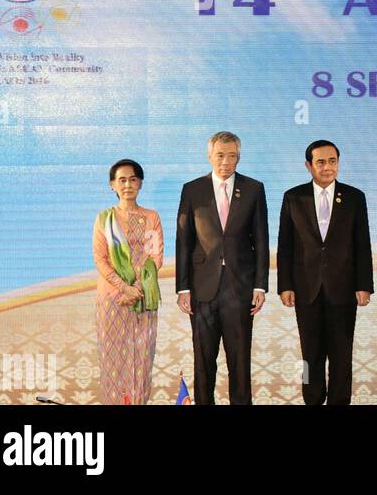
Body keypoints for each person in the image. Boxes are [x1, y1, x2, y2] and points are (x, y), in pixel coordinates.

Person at [175, 131, 269, 405]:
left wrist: (260, 285)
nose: (225, 162)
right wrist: (183, 287)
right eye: (220, 155)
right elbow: (184, 240)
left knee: (239, 360)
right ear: (209, 156)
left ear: (238, 158)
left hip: (239, 288)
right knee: (203, 361)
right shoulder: (192, 189)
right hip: (202, 288)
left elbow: (261, 239)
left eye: (231, 156)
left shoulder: (253, 189)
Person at [277, 140, 373, 405]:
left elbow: (362, 244)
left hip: (343, 289)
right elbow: (285, 245)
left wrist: (364, 284)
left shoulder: (354, 197)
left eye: (332, 161)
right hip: (306, 289)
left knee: (342, 355)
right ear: (309, 166)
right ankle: (312, 400)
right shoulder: (293, 197)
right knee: (310, 356)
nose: (327, 167)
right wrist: (285, 285)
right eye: (320, 162)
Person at [93, 159, 163, 405]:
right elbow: (100, 259)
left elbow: (155, 257)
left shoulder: (151, 217)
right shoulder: (104, 219)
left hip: (144, 300)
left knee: (142, 361)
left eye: (133, 179)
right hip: (112, 301)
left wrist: (139, 289)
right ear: (112, 185)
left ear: (140, 183)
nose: (127, 185)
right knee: (113, 363)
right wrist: (124, 289)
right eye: (122, 180)